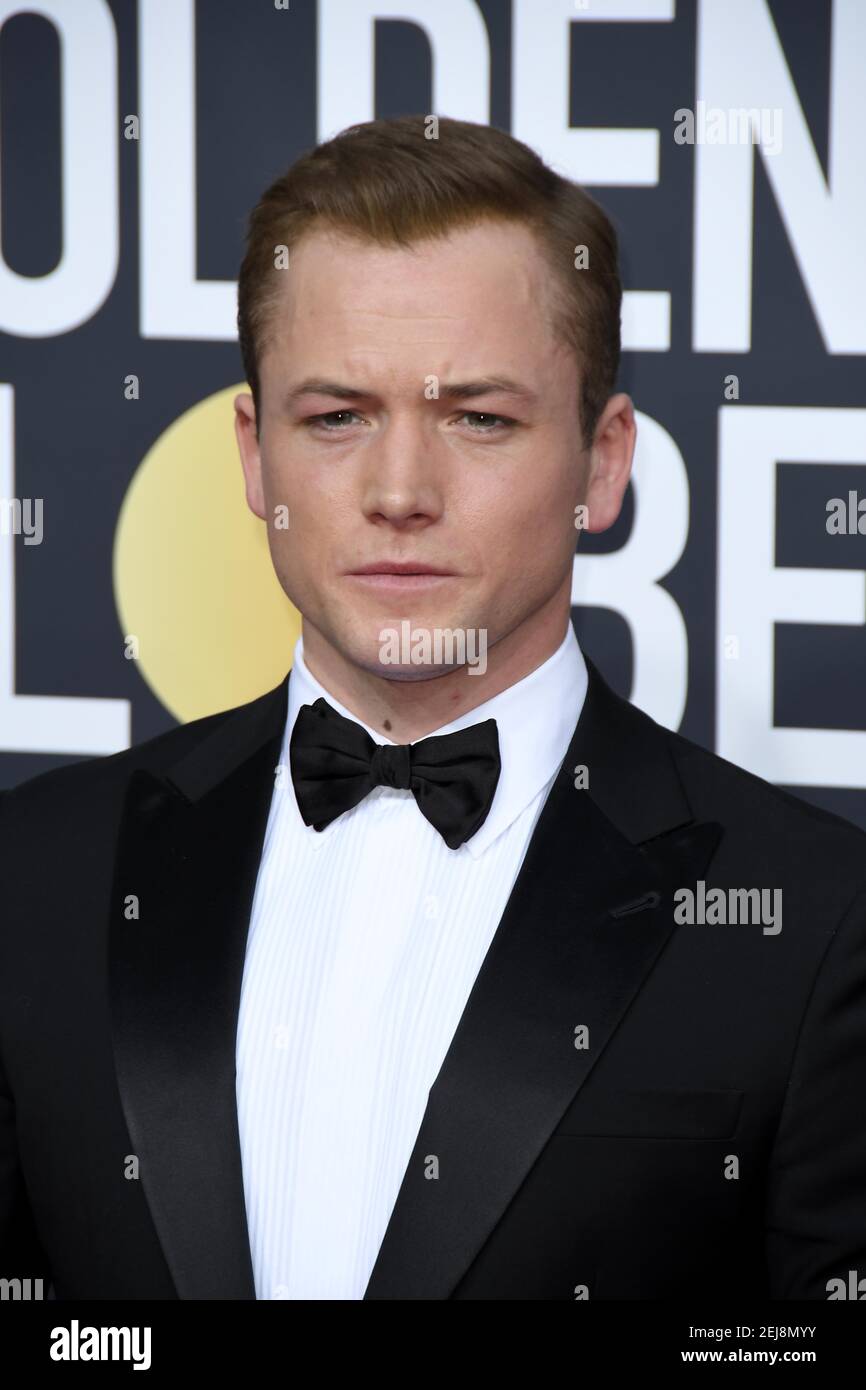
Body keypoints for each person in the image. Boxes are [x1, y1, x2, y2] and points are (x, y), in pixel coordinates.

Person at [2, 115, 865, 1301]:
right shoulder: (36, 868)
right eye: (336, 416)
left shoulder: (816, 923)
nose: (399, 491)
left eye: (479, 417)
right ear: (255, 456)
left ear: (601, 462)